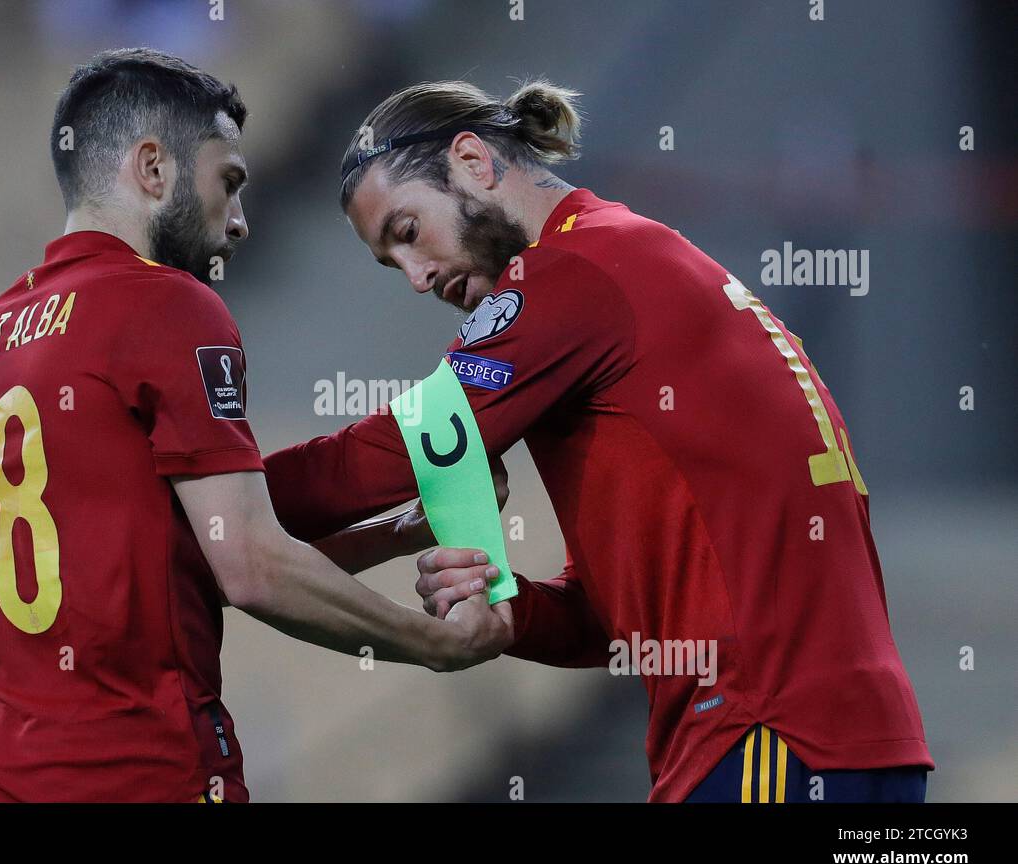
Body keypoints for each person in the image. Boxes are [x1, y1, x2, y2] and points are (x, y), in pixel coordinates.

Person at [263, 79, 934, 802]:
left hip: (769, 736)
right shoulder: (634, 259)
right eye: (392, 263)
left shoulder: (572, 273)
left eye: (407, 232)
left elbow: (387, 458)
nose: (418, 277)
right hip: (835, 741)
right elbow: (619, 620)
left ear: (471, 161)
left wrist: (212, 494)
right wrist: (511, 613)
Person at [0, 50, 510, 803]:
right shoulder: (165, 304)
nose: (240, 222)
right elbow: (252, 568)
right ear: (153, 168)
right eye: (229, 183)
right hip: (134, 769)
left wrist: (409, 528)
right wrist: (437, 642)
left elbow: (180, 561)